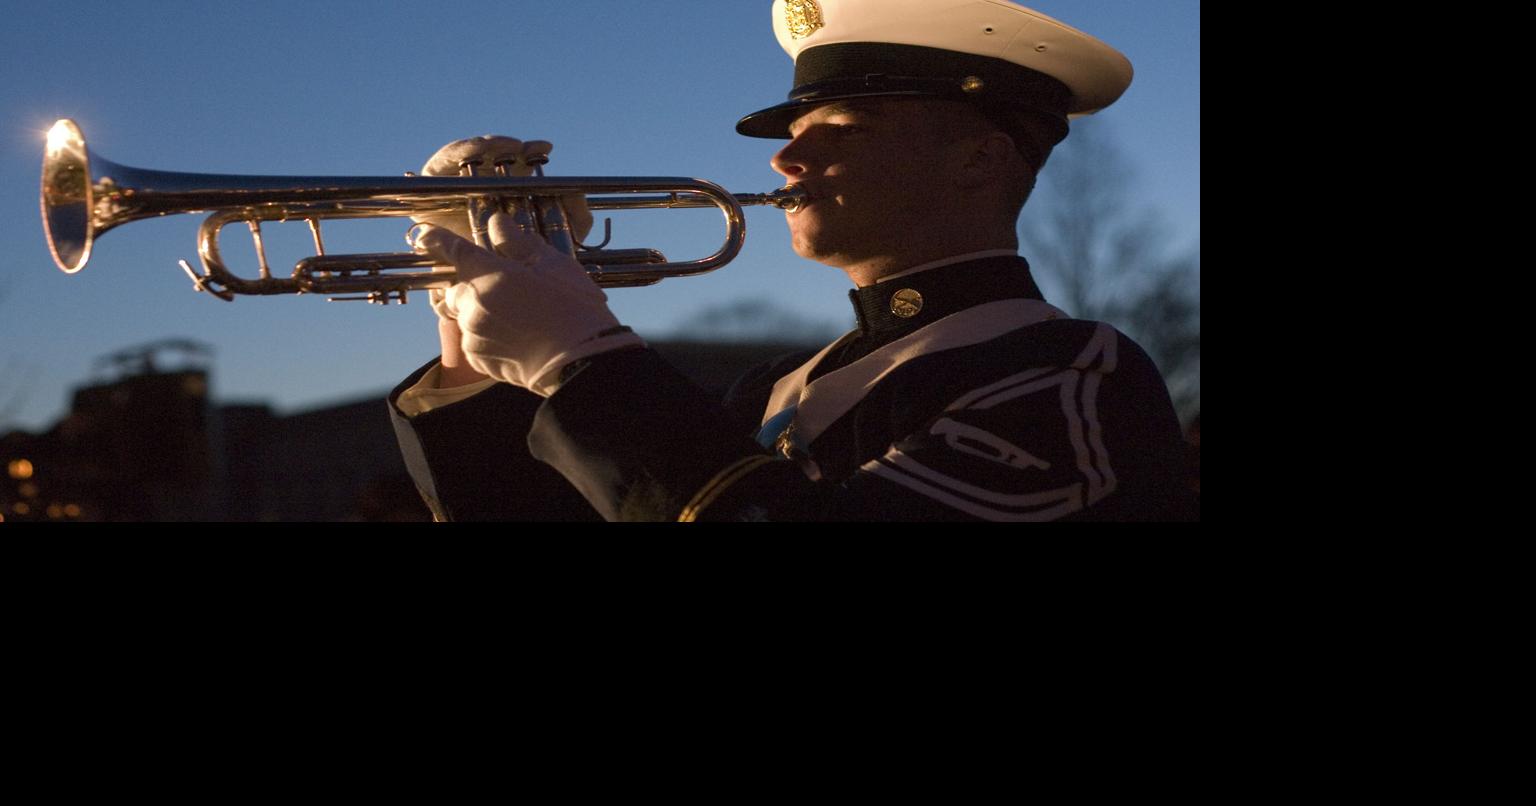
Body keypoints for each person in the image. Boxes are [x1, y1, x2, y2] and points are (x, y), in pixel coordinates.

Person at [387, 0, 1196, 522]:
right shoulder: (773, 387)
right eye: (791, 135)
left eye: (842, 128)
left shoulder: (1073, 379)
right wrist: (474, 313)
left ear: (979, 162)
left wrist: (584, 362)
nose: (784, 161)